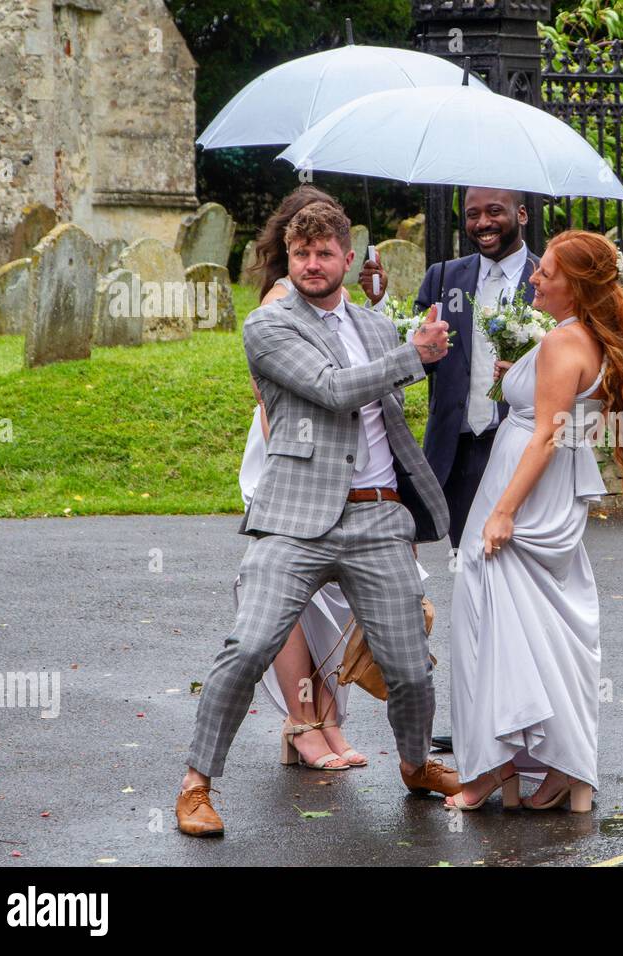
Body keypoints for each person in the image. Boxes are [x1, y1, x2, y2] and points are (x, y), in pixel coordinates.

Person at [176, 201, 457, 837]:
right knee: (247, 646)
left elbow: (391, 405)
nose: (311, 264)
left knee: (410, 665)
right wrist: (412, 353)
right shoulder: (267, 326)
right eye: (300, 254)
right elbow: (332, 388)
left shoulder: (377, 327)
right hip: (295, 518)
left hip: (379, 517)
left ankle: (416, 765)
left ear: (347, 259)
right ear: (289, 258)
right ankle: (195, 786)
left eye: (323, 252)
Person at [444, 230, 623, 813]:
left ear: (577, 285)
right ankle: (566, 771)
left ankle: (496, 765)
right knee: (546, 627)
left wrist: (503, 512)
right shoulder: (581, 339)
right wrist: (527, 371)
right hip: (554, 487)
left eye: (547, 272)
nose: (534, 277)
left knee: (488, 614)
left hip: (526, 487)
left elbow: (544, 432)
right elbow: (565, 416)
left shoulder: (565, 344)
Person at [239, 186, 368, 772]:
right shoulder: (279, 300)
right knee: (292, 604)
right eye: (307, 243)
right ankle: (304, 722)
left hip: (341, 461)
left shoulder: (336, 299)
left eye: (329, 242)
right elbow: (271, 400)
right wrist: (278, 469)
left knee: (332, 603)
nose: (316, 258)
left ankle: (326, 720)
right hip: (289, 461)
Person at [361, 186, 539, 552]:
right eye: (473, 214)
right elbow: (409, 357)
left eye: (494, 211)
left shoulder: (546, 279)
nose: (483, 223)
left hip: (521, 447)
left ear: (521, 215)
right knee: (466, 560)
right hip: (456, 450)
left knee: (519, 564)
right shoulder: (443, 277)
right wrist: (378, 305)